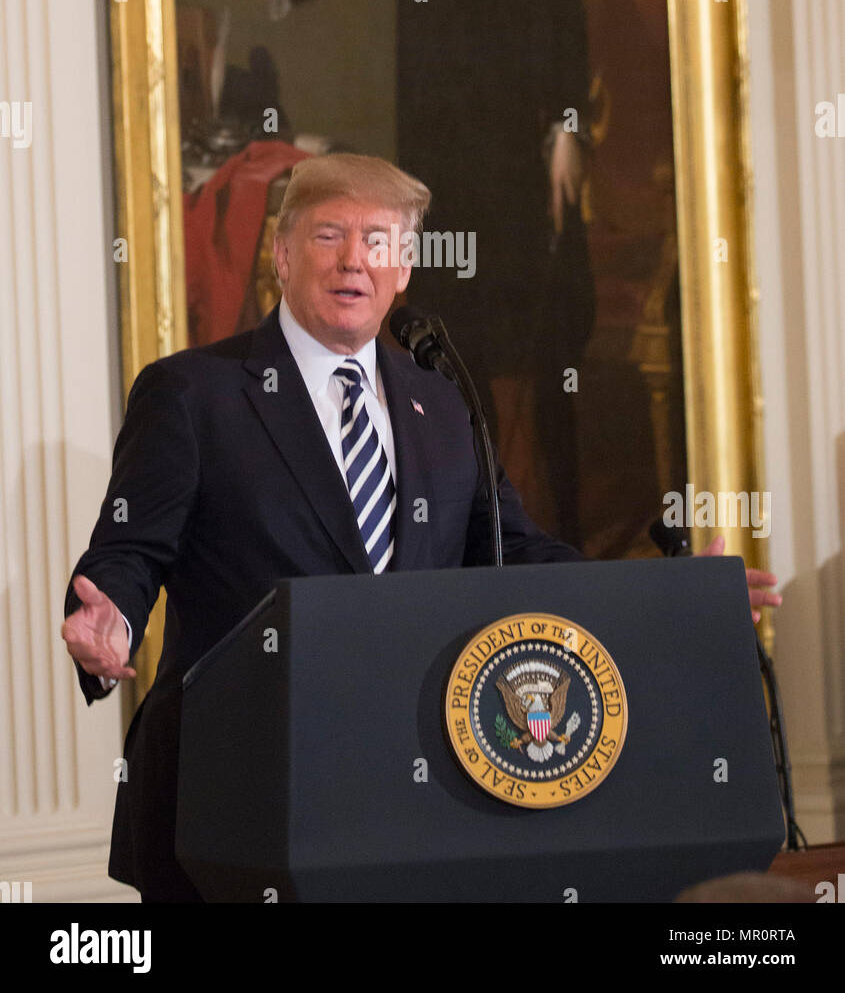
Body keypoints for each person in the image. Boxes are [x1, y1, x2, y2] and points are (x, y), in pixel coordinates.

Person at [62, 153, 781, 903]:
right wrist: (107, 612)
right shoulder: (193, 392)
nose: (353, 260)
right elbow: (130, 549)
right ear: (280, 254)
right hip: (237, 787)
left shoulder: (440, 402)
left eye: (377, 240)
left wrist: (670, 597)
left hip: (407, 785)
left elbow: (514, 551)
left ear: (403, 268)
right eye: (328, 234)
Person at [207, 0, 594, 537]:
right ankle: (463, 537)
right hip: (434, 161)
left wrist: (567, 125)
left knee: (537, 339)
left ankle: (549, 542)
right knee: (447, 347)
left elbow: (563, 15)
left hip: (509, 160)